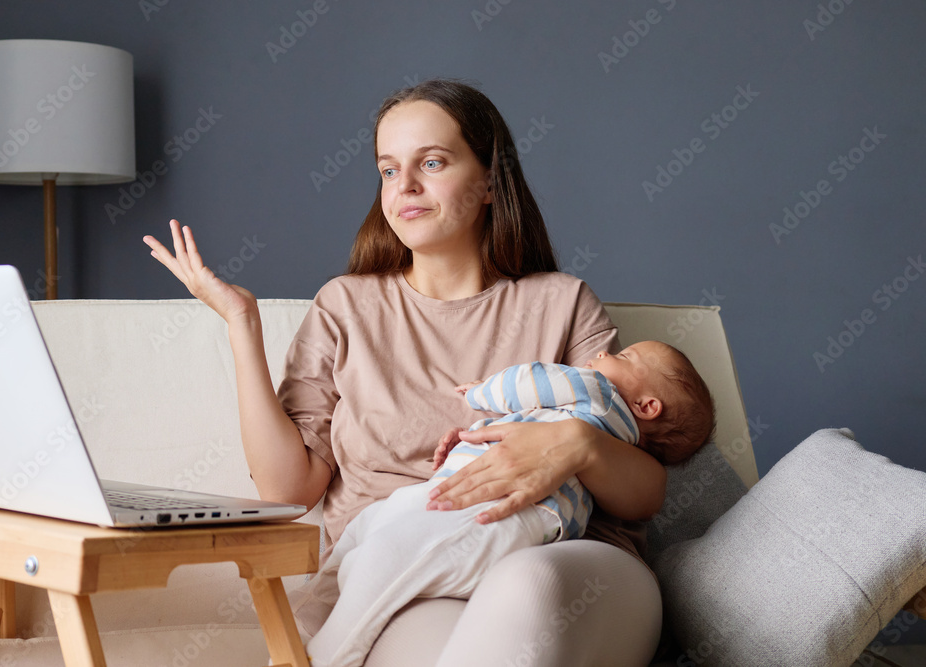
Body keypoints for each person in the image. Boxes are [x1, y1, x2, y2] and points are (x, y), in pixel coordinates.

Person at [144, 78, 667, 666]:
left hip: (565, 557)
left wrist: (577, 445)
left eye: (433, 162)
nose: (406, 186)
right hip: (407, 573)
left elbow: (645, 495)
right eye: (389, 170)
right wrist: (241, 324)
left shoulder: (562, 301)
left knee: (522, 588)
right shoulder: (345, 306)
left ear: (492, 180)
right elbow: (286, 492)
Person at [305, 341, 715, 667]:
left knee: (387, 551)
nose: (606, 353)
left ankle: (326, 654)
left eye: (624, 356)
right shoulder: (609, 430)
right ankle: (309, 618)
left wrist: (482, 392)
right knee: (372, 527)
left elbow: (531, 380)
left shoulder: (598, 392)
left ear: (646, 406)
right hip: (503, 514)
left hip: (505, 509)